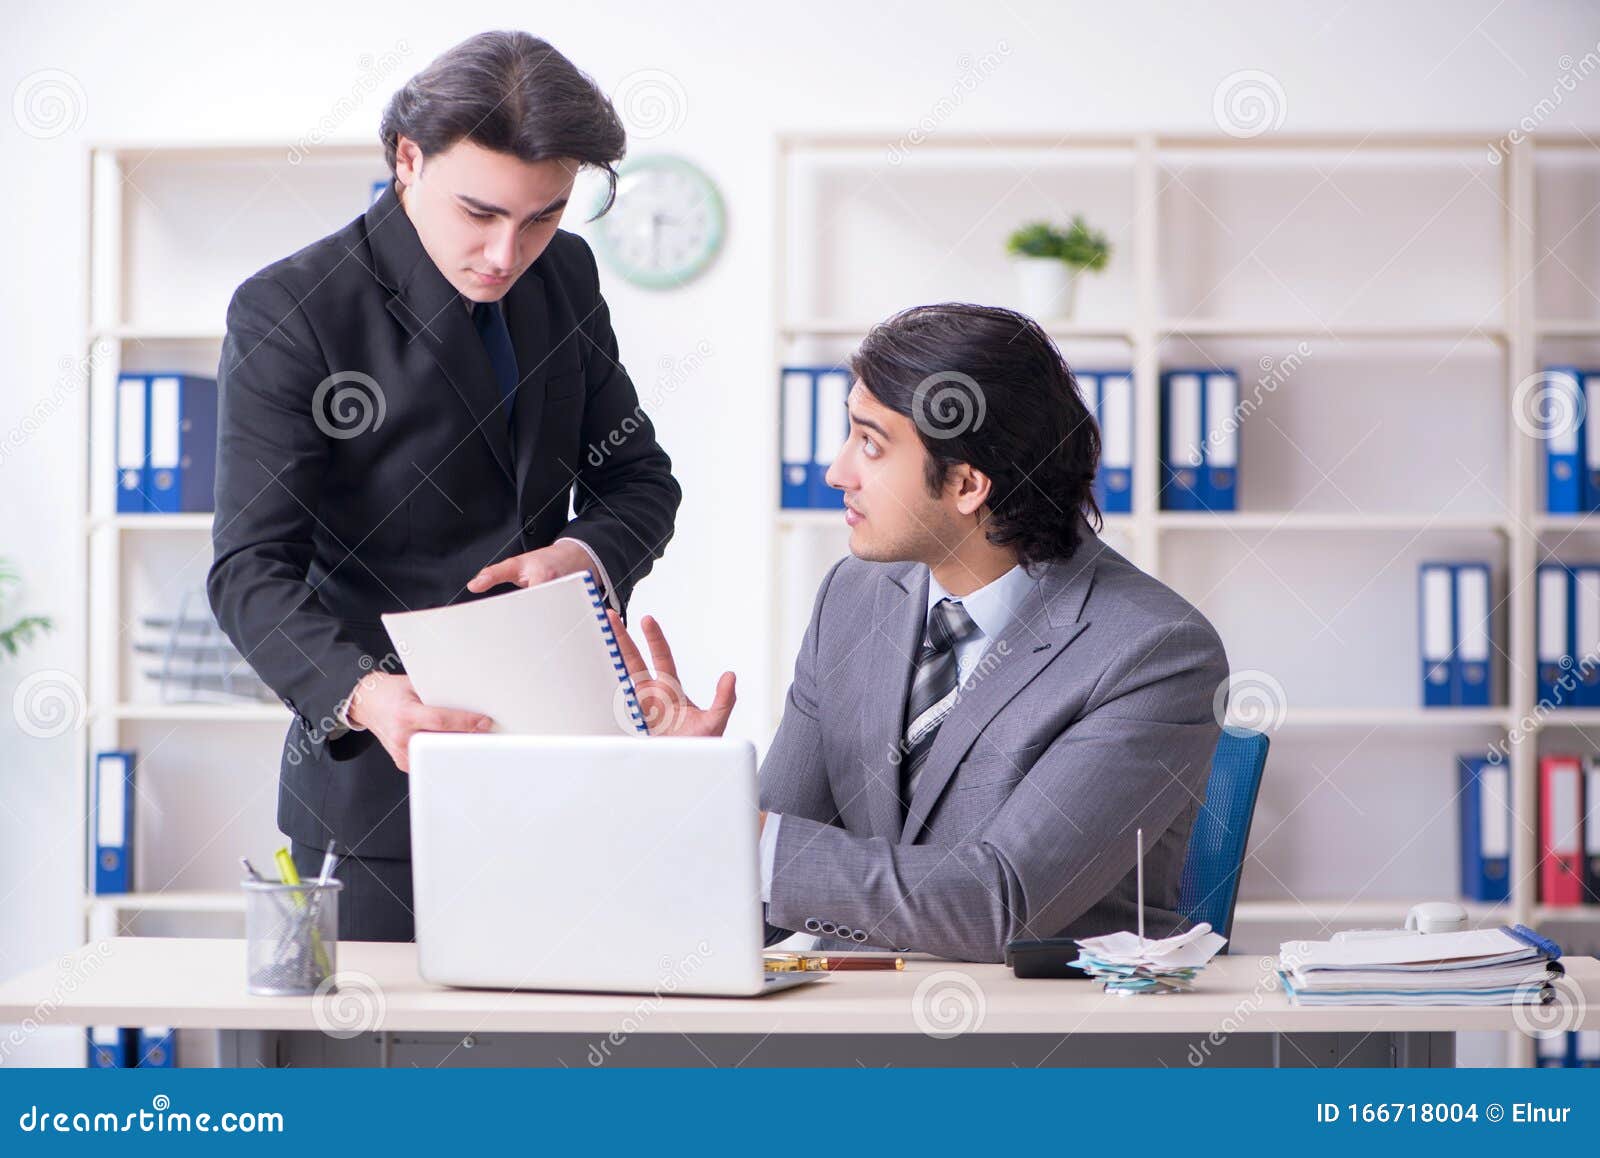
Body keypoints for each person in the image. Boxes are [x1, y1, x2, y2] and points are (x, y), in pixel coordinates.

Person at [208, 32, 681, 942]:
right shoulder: (293, 310)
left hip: (564, 768)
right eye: (481, 213)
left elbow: (638, 479)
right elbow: (248, 572)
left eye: (543, 216)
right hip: (380, 795)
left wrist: (581, 558)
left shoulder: (566, 275)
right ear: (407, 159)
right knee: (375, 1075)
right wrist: (368, 696)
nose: (508, 252)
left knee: (551, 1068)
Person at [613, 302, 1229, 962]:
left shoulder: (1153, 651)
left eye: (870, 444)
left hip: (1042, 1040)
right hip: (859, 1017)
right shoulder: (854, 600)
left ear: (966, 484)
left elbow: (999, 905)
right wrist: (688, 785)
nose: (836, 472)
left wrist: (743, 832)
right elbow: (760, 895)